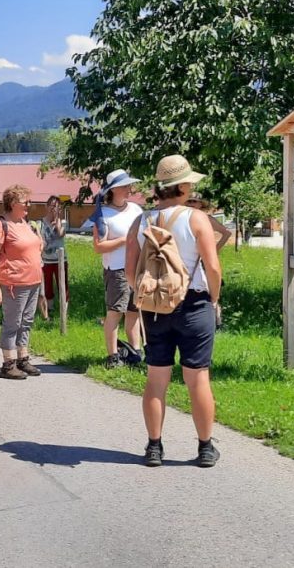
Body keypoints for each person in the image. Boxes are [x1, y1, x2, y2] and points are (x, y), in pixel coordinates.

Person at [125, 155, 223, 468]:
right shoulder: (196, 218)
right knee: (198, 378)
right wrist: (214, 299)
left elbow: (130, 271)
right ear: (181, 187)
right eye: (189, 183)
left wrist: (149, 296)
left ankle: (154, 446)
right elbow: (213, 267)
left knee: (156, 378)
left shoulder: (141, 221)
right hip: (193, 303)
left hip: (154, 308)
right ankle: (205, 447)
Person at [0, 185, 44, 380]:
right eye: (25, 202)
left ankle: (22, 358)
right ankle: (8, 363)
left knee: (26, 321)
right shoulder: (1, 224)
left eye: (29, 202)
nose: (29, 205)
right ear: (12, 203)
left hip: (33, 281)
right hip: (13, 283)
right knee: (12, 322)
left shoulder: (25, 223)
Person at [93, 169, 145, 368]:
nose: (129, 189)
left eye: (129, 185)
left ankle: (135, 352)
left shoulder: (136, 209)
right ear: (113, 190)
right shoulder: (103, 214)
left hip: (137, 266)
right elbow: (99, 246)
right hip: (116, 269)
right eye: (124, 186)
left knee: (134, 311)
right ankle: (113, 355)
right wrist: (126, 239)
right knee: (115, 312)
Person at [38, 195, 70, 320]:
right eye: (51, 206)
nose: (54, 209)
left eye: (56, 206)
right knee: (47, 286)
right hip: (46, 260)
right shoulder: (40, 223)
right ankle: (49, 310)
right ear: (46, 206)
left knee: (63, 285)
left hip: (60, 260)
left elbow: (61, 234)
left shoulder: (63, 222)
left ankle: (64, 311)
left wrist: (57, 220)